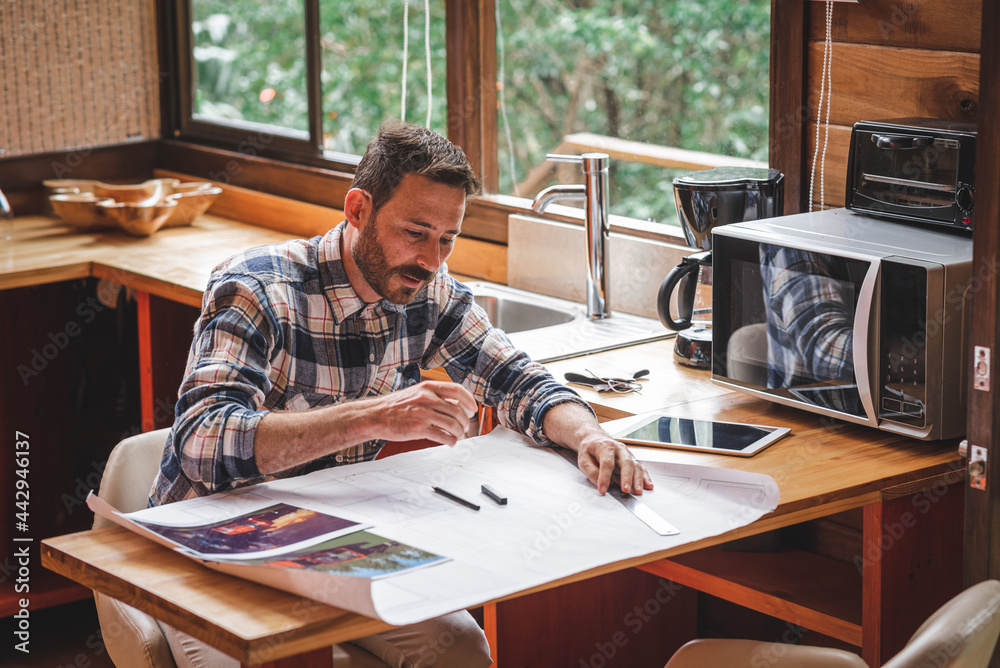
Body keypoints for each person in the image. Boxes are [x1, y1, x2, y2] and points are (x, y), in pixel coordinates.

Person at [148, 121, 653, 668]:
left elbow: (517, 379)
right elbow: (201, 443)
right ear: (358, 209)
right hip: (211, 540)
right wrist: (371, 418)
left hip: (332, 541)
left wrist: (590, 437)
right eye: (415, 232)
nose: (432, 259)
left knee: (459, 650)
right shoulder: (258, 289)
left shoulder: (428, 291)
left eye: (447, 239)